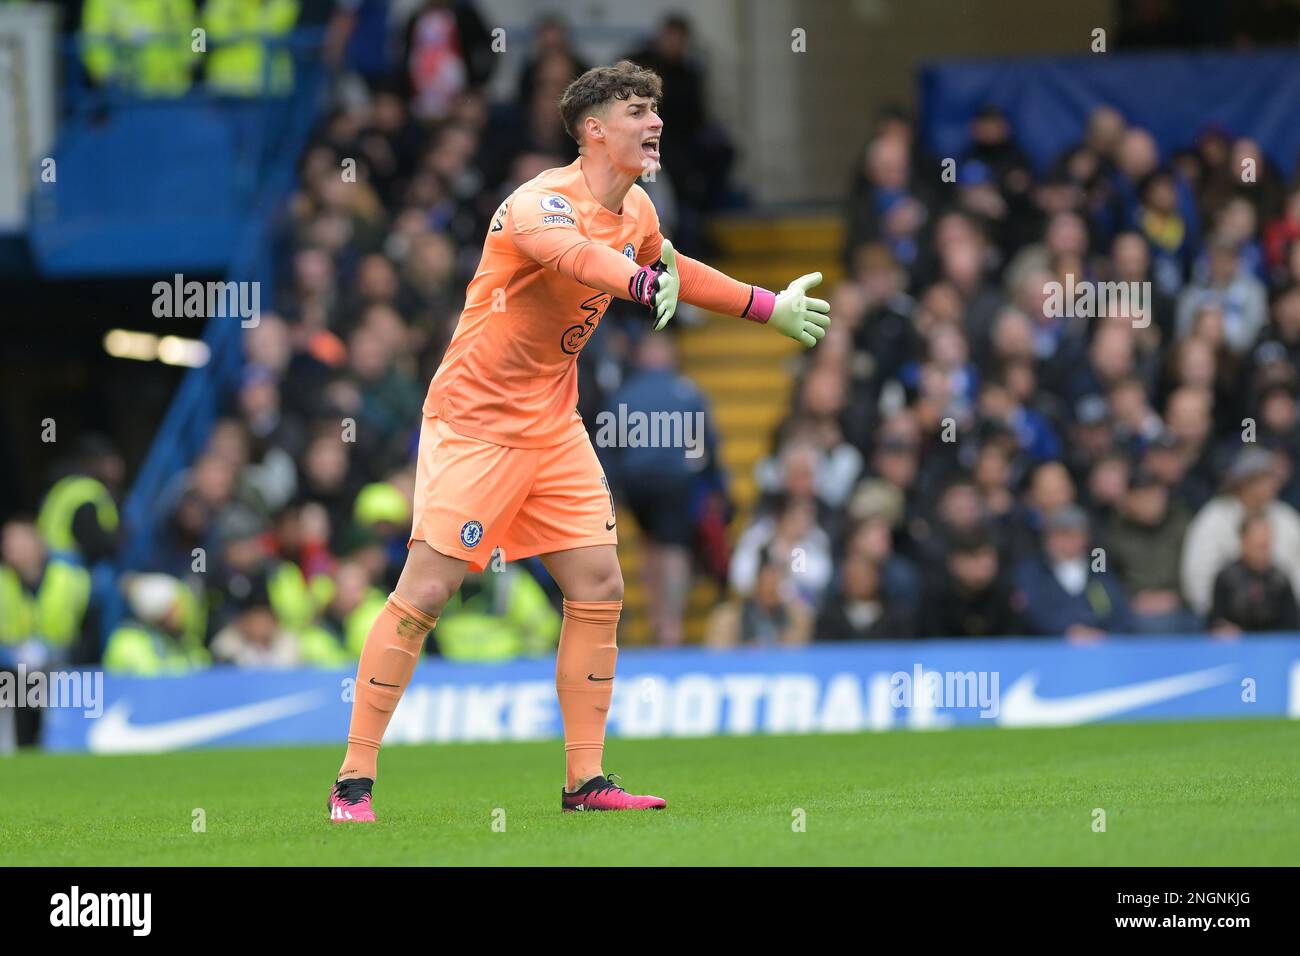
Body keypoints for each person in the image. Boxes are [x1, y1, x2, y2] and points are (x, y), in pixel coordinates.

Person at [328, 61, 833, 821]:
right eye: (638, 110)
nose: (655, 122)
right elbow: (584, 260)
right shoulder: (537, 204)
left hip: (553, 425)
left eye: (657, 108)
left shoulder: (636, 209)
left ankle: (585, 782)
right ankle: (352, 782)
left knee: (599, 587)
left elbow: (669, 266)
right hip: (476, 425)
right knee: (426, 593)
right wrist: (637, 286)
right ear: (595, 129)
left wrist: (767, 306)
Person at [1209, 511, 1300, 634]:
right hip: (1234, 649)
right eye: (1257, 546)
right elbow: (1215, 623)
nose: (1262, 552)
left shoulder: (1280, 579)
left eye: (1266, 546)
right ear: (1243, 542)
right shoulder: (1226, 578)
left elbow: (1292, 627)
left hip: (1273, 647)